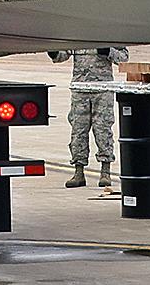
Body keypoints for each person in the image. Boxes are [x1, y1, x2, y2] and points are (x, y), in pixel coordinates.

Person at [51, 46, 120, 189]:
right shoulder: (78, 34)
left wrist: (108, 52)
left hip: (102, 88)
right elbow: (63, 55)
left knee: (103, 130)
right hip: (80, 88)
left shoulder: (108, 33)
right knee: (78, 131)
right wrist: (53, 52)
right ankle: (79, 172)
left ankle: (105, 172)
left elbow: (124, 57)